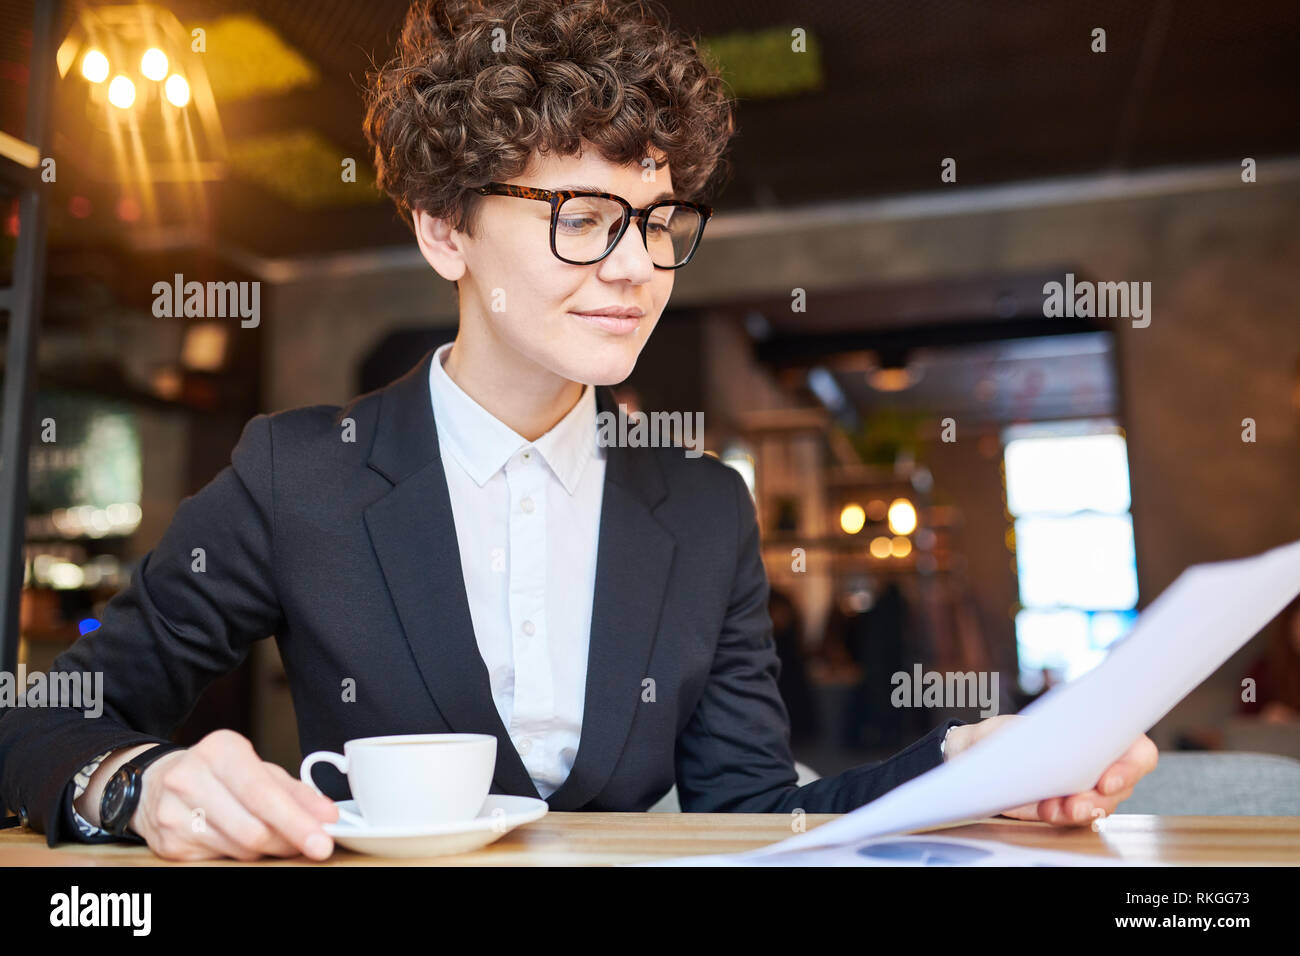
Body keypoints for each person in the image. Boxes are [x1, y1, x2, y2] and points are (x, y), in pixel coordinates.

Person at [0, 0, 1155, 861]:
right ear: (445, 232)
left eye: (656, 223)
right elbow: (44, 719)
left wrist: (960, 769)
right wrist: (132, 783)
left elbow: (752, 817)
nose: (637, 269)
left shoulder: (701, 508)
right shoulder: (297, 474)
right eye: (582, 220)